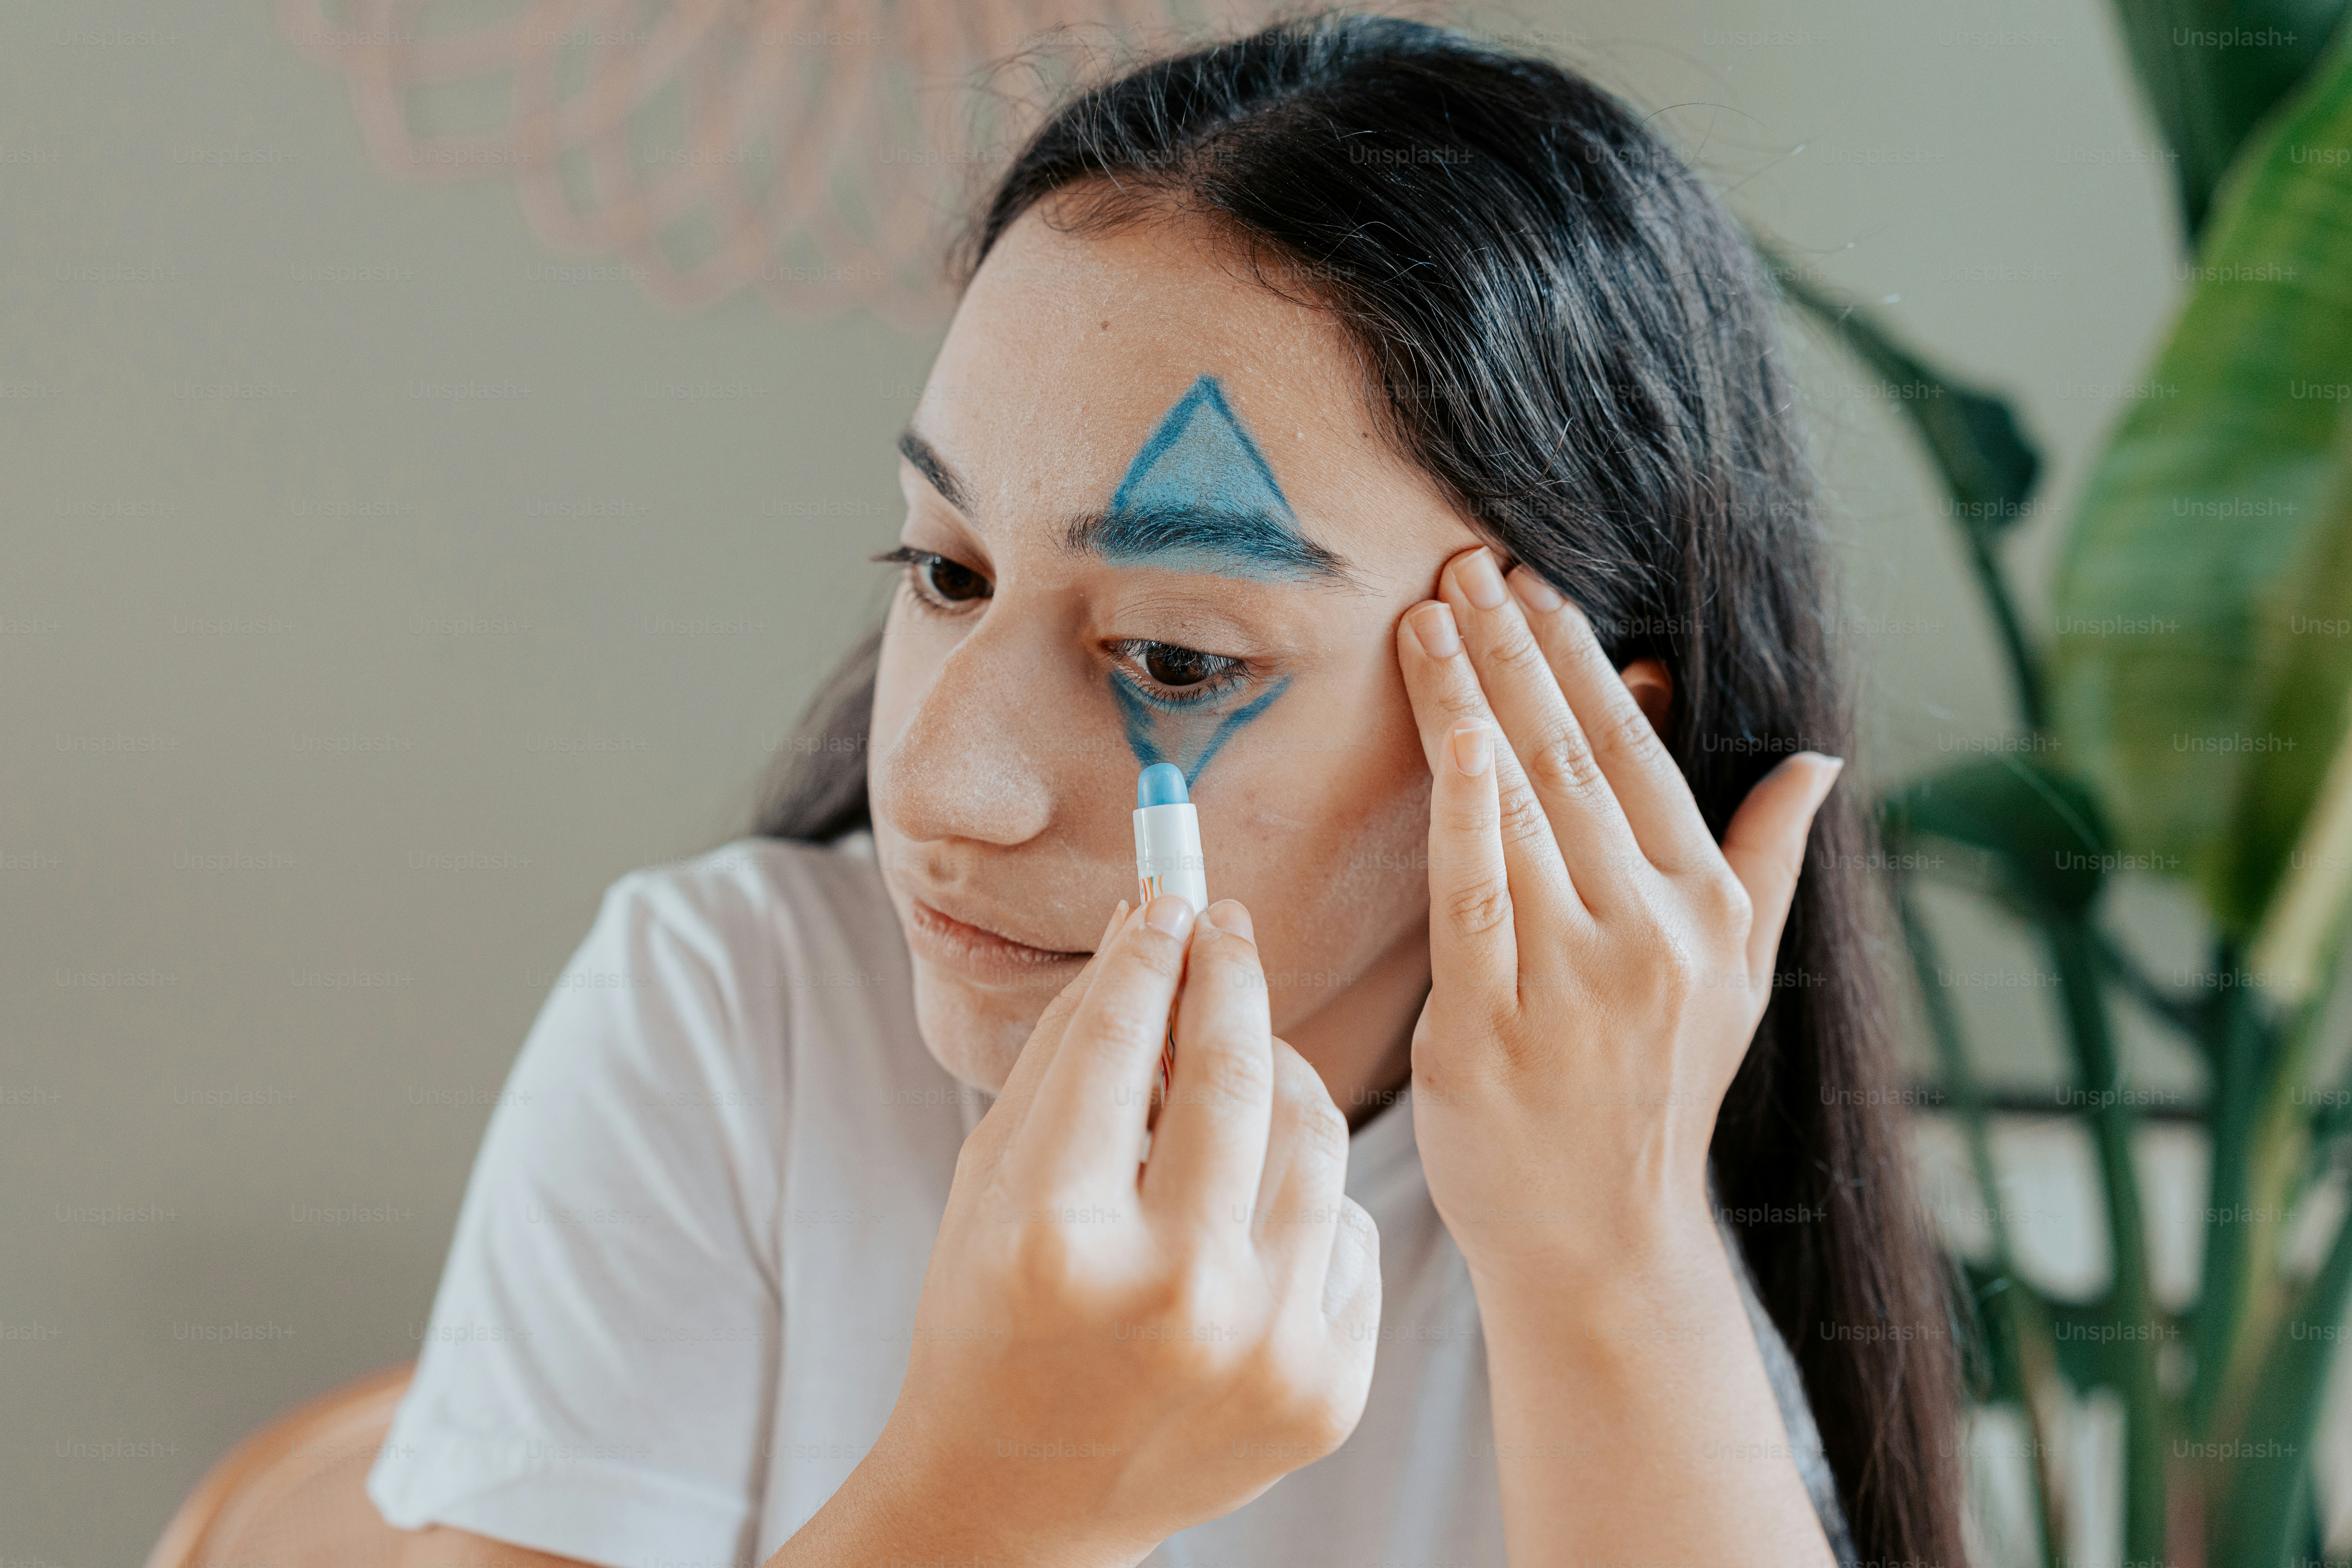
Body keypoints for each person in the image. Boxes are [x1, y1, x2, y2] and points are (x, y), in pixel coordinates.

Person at [370, 14, 1966, 1568]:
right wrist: (1000, 1496)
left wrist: (1611, 1261)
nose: (939, 780)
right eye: (947, 567)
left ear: (1573, 752)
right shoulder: (738, 1018)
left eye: (1178, 659)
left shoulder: (1628, 1232)